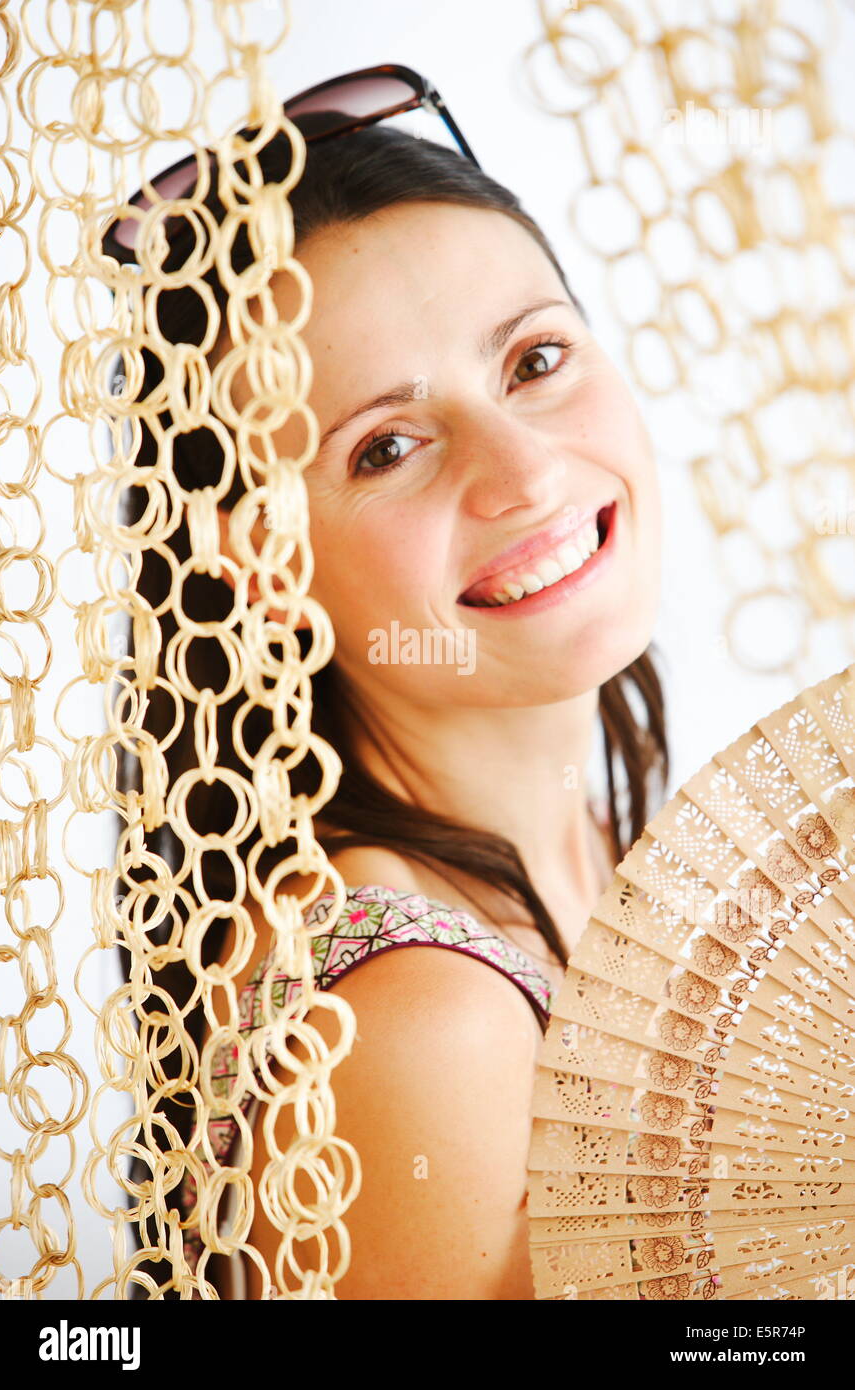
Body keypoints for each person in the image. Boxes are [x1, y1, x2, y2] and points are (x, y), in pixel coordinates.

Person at [111, 97, 668, 1300]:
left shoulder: (593, 843)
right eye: (385, 446)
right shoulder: (416, 1021)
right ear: (260, 561)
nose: (523, 473)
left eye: (533, 360)